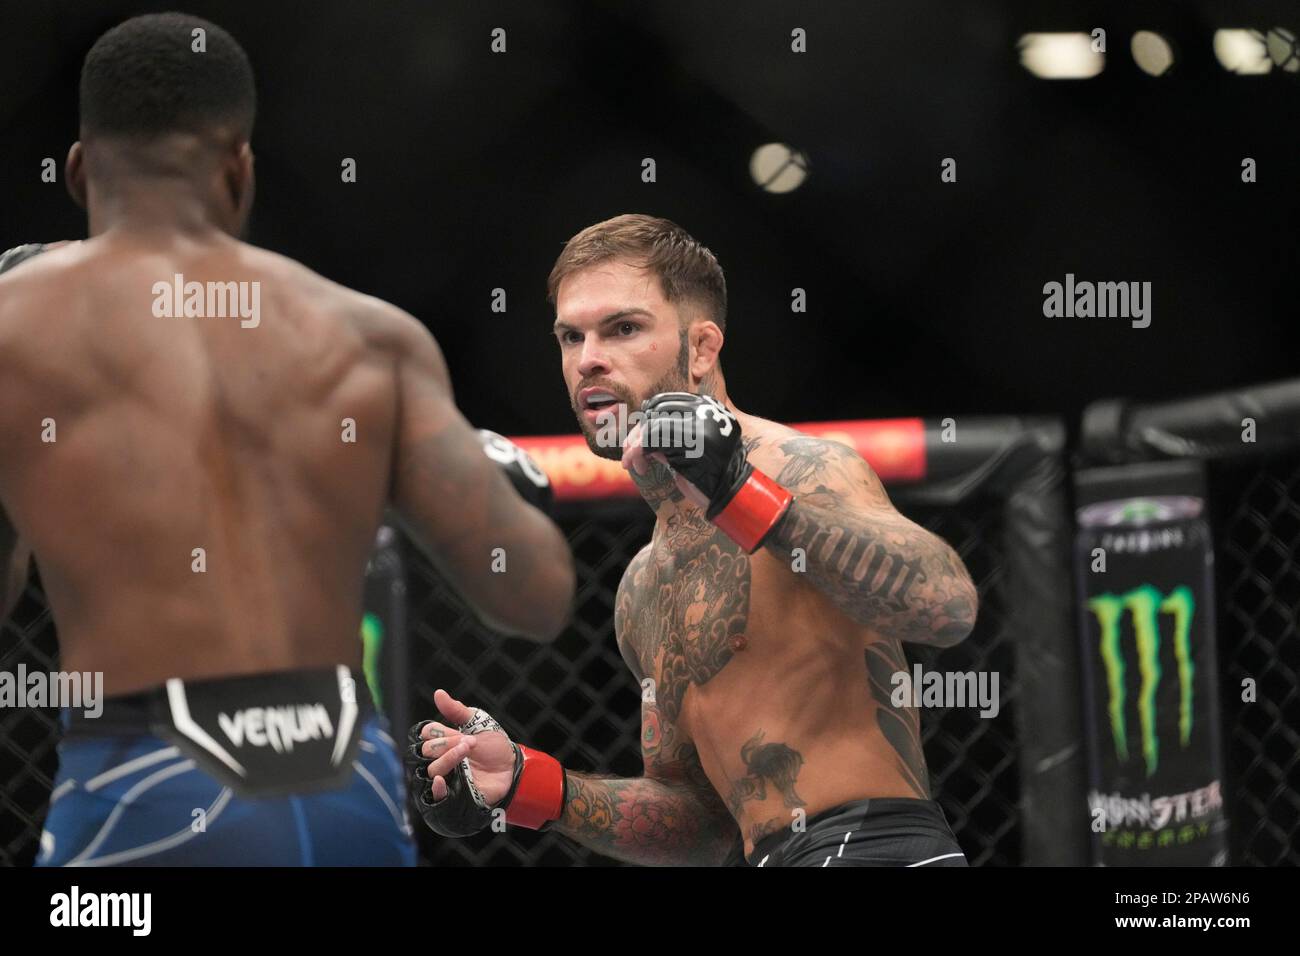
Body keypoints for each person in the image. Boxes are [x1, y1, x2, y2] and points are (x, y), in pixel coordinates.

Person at [0, 13, 574, 866]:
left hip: (145, 788)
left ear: (81, 172)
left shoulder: (18, 324)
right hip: (353, 787)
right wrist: (503, 493)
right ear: (240, 171)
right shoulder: (373, 338)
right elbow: (533, 600)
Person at [409, 213, 980, 866]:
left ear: (702, 348)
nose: (588, 357)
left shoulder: (798, 468)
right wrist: (528, 783)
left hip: (877, 850)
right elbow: (702, 822)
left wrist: (741, 494)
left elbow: (947, 606)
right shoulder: (644, 584)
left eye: (623, 328)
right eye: (572, 336)